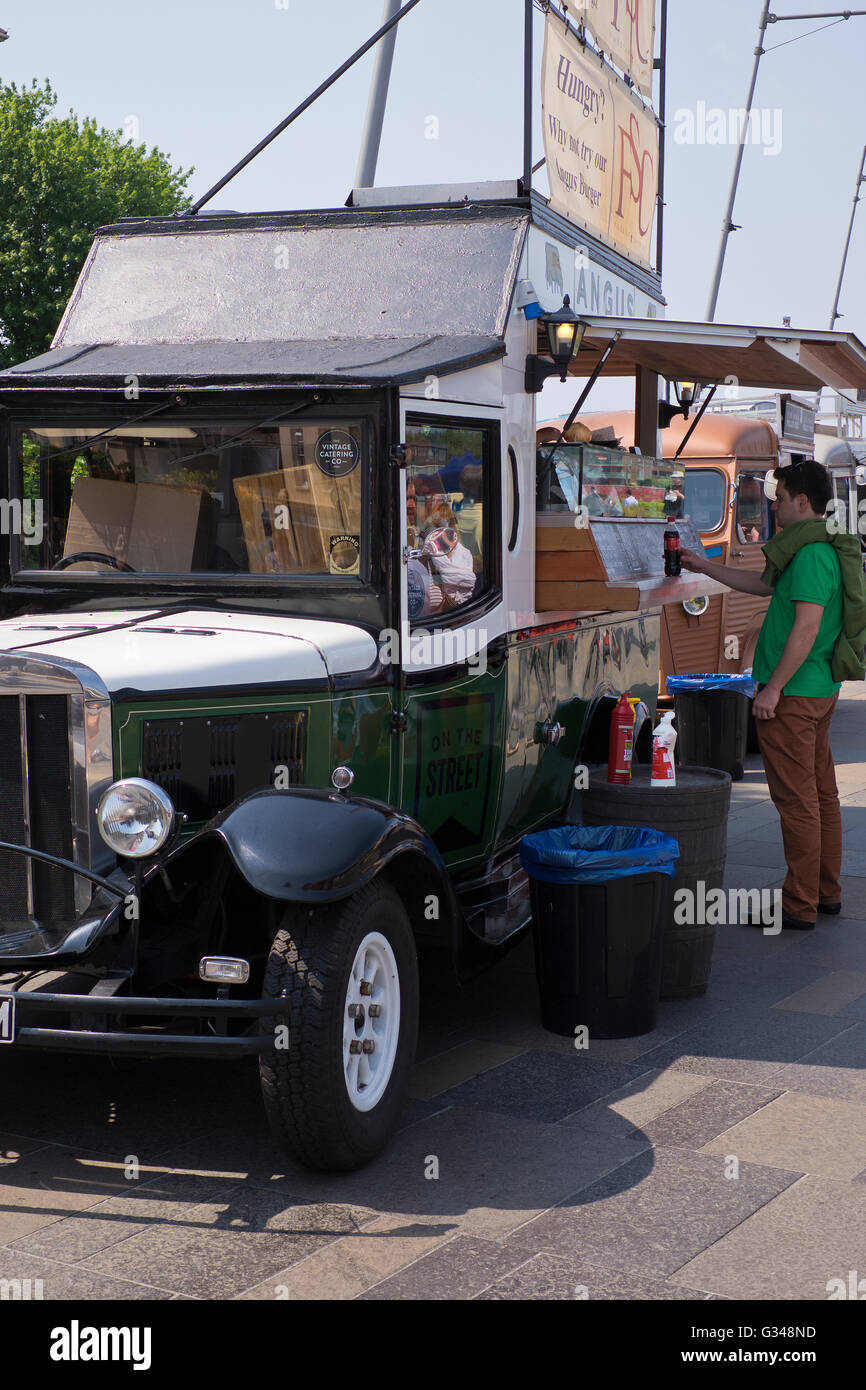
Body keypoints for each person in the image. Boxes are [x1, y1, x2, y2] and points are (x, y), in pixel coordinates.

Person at [681, 459, 866, 929]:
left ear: (802, 501)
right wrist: (704, 565)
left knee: (796, 801)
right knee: (822, 796)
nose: (774, 507)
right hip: (818, 689)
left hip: (794, 696)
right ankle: (824, 893)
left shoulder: (807, 557)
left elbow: (804, 630)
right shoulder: (812, 549)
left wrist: (773, 690)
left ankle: (797, 904)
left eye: (780, 498)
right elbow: (761, 586)